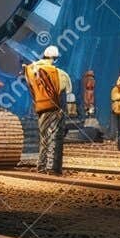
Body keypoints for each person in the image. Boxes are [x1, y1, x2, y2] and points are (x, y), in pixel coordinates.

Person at [24, 44, 71, 174]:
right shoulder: (59, 73)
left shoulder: (31, 71)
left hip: (40, 108)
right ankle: (53, 168)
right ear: (55, 58)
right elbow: (63, 94)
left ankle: (42, 166)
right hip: (55, 109)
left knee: (44, 138)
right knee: (56, 137)